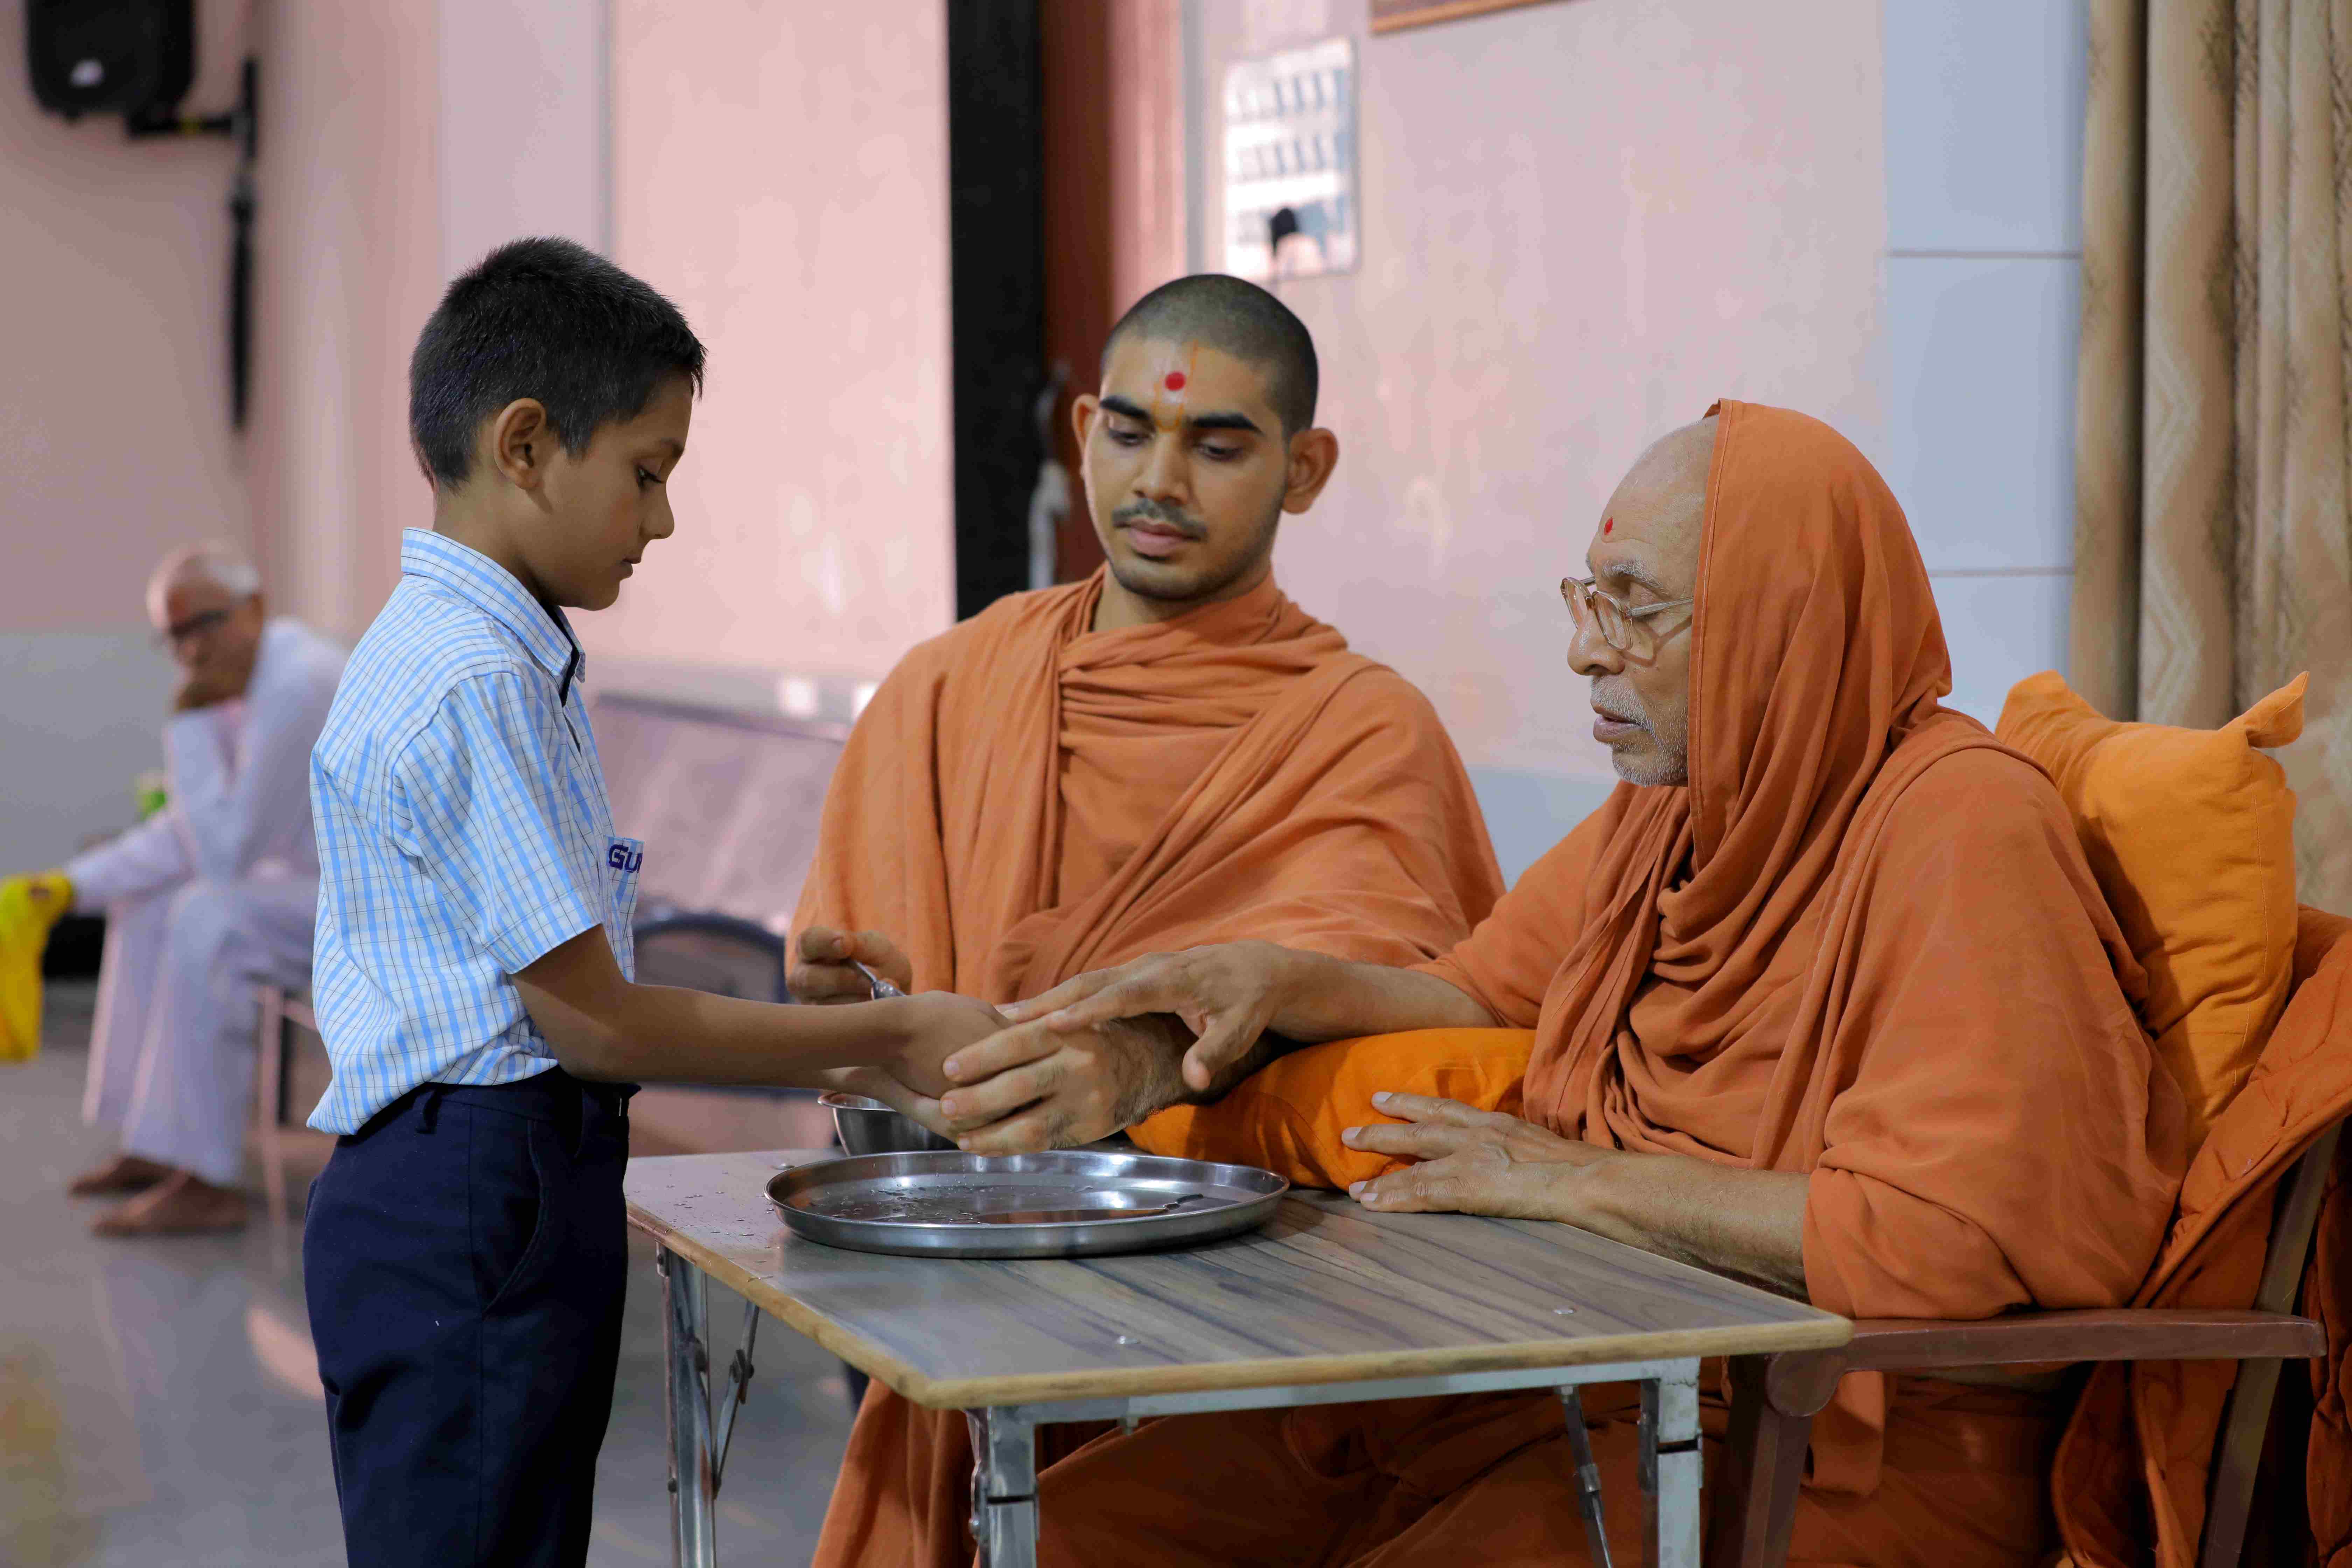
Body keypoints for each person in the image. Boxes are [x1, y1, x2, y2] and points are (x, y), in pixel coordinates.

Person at [954, 403, 2190, 1566]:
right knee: (1080, 1527)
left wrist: (1580, 1184)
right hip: (1590, 1370)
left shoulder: (1964, 832)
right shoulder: (1683, 813)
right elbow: (1477, 994)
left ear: (1780, 618)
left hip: (1844, 1446)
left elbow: (1948, 1238)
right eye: (1589, 597)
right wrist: (1276, 982)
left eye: (1636, 609)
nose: (1586, 649)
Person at [298, 238, 1003, 1568]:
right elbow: (600, 1028)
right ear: (524, 445)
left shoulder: (502, 651)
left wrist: (837, 1032)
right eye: (647, 471)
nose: (663, 520)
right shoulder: (472, 677)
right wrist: (890, 1043)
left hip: (503, 1175)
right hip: (468, 1191)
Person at [797, 273, 1506, 1567]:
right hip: (963, 1280)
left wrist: (1149, 1059)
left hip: (1255, 1325)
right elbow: (858, 1053)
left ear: (1307, 469)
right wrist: (851, 1019)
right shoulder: (949, 690)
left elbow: (1409, 1021)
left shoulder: (1362, 734)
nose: (1160, 480)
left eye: (1218, 444)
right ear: (1083, 434)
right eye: (1131, 432)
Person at [23, 544, 345, 1236]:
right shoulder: (248, 681)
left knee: (208, 915)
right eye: (174, 635)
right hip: (297, 885)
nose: (191, 651)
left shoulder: (297, 683)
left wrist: (190, 724)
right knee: (146, 904)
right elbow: (188, 833)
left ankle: (205, 1182)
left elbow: (225, 855)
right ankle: (152, 1143)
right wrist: (66, 887)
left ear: (255, 608)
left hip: (366, 902)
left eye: (205, 624)